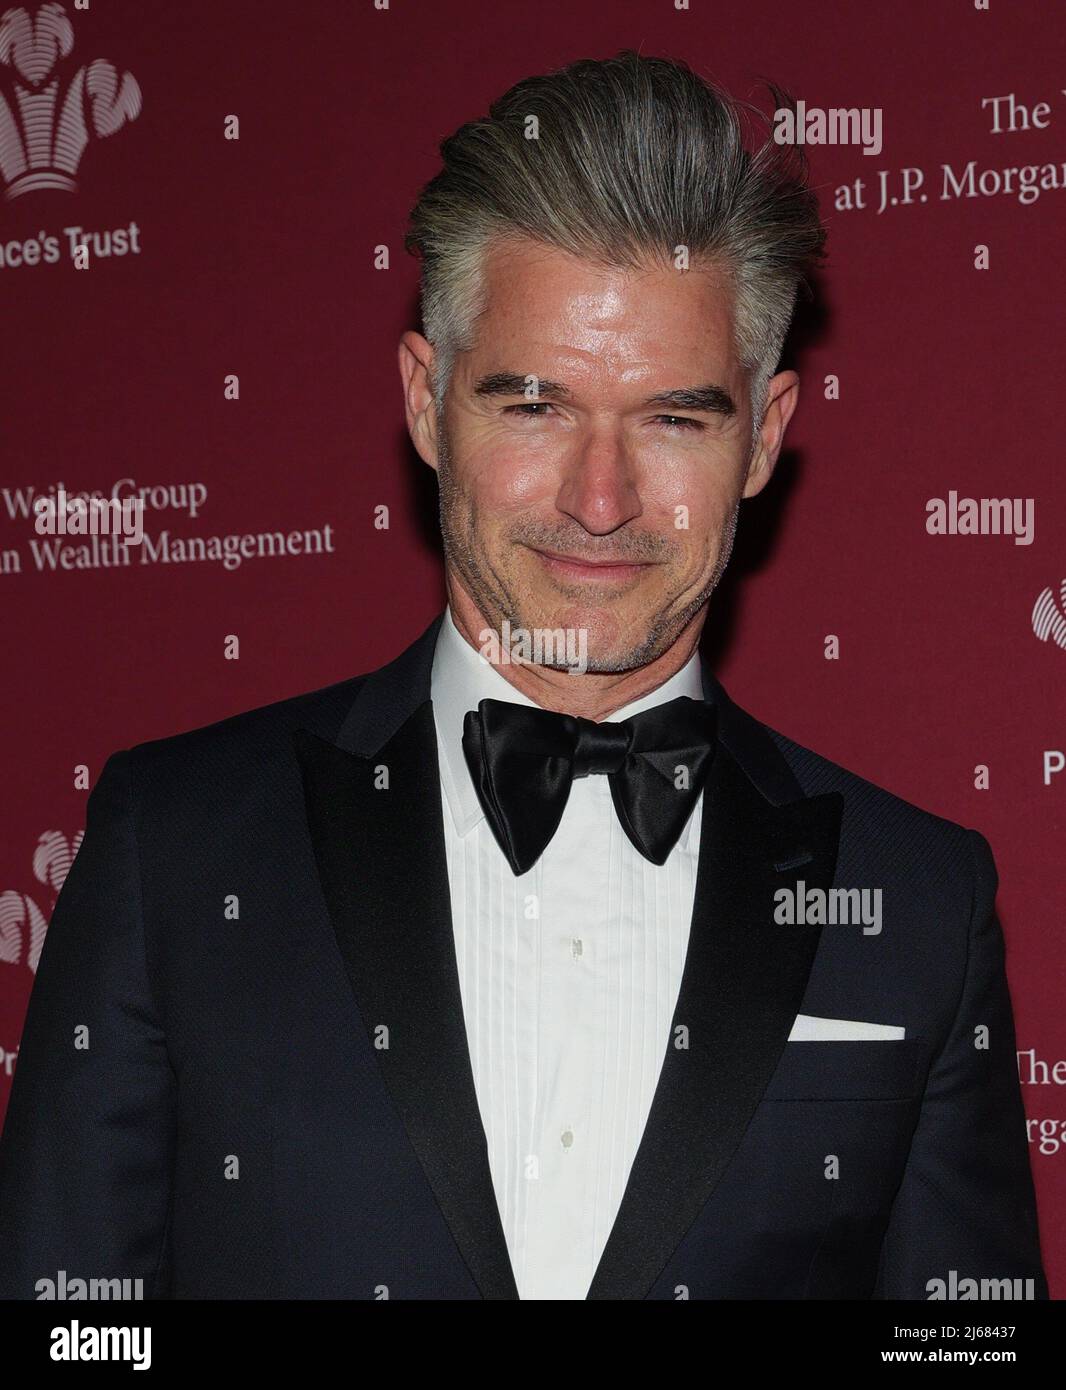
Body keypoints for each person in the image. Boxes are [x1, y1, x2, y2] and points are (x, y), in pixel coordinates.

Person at [0, 51, 1046, 1301]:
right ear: (427, 402)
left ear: (763, 437)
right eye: (535, 406)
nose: (597, 501)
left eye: (673, 417)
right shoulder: (172, 849)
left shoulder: (915, 904)